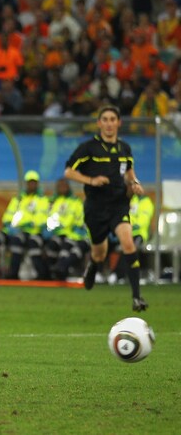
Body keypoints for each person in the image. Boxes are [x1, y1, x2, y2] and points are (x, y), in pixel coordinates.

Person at [64, 105, 148, 312]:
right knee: (100, 253)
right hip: (96, 207)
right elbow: (68, 172)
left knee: (128, 243)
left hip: (119, 204)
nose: (109, 123)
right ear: (99, 123)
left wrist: (135, 183)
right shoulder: (88, 148)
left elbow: (129, 172)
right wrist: (91, 180)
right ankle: (93, 265)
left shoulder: (125, 149)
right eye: (105, 119)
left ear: (119, 123)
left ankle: (137, 297)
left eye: (113, 119)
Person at [0, 170, 50, 280]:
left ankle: (13, 273)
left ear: (37, 184)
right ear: (26, 183)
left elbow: (41, 218)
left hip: (31, 231)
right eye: (29, 182)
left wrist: (26, 225)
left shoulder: (42, 200)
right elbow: (7, 216)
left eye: (34, 182)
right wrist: (9, 225)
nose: (31, 184)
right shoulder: (18, 199)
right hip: (13, 230)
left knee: (17, 240)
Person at [43, 178, 89, 281]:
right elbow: (47, 218)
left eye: (64, 186)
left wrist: (78, 230)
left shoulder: (75, 202)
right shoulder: (52, 202)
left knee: (70, 249)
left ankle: (61, 270)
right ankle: (51, 272)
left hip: (74, 234)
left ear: (68, 187)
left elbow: (80, 220)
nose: (62, 188)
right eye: (60, 186)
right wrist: (47, 228)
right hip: (57, 233)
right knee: (52, 246)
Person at [109, 193, 154, 284]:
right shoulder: (130, 200)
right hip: (126, 232)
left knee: (129, 246)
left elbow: (144, 219)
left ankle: (118, 274)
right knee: (104, 242)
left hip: (139, 233)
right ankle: (98, 272)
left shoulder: (147, 202)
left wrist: (133, 226)